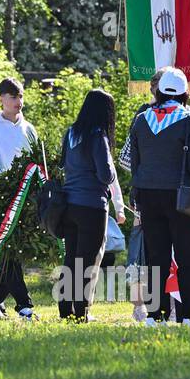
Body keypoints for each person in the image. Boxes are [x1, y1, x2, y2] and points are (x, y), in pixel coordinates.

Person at [127, 67, 190, 325]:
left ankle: (156, 315)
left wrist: (135, 195)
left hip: (148, 197)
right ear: (185, 93)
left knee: (156, 259)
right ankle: (188, 317)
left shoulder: (141, 119)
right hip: (181, 197)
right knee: (187, 259)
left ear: (159, 91)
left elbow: (135, 163)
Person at [58, 89, 126, 321]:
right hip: (92, 206)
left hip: (69, 204)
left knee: (71, 258)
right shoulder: (98, 135)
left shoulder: (70, 133)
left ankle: (65, 309)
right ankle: (82, 311)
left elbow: (61, 163)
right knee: (88, 260)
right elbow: (107, 175)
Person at [0, 78, 42, 320]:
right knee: (8, 251)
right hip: (2, 198)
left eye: (21, 97)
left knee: (12, 253)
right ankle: (24, 305)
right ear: (1, 99)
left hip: (26, 198)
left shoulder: (29, 128)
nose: (19, 102)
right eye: (13, 97)